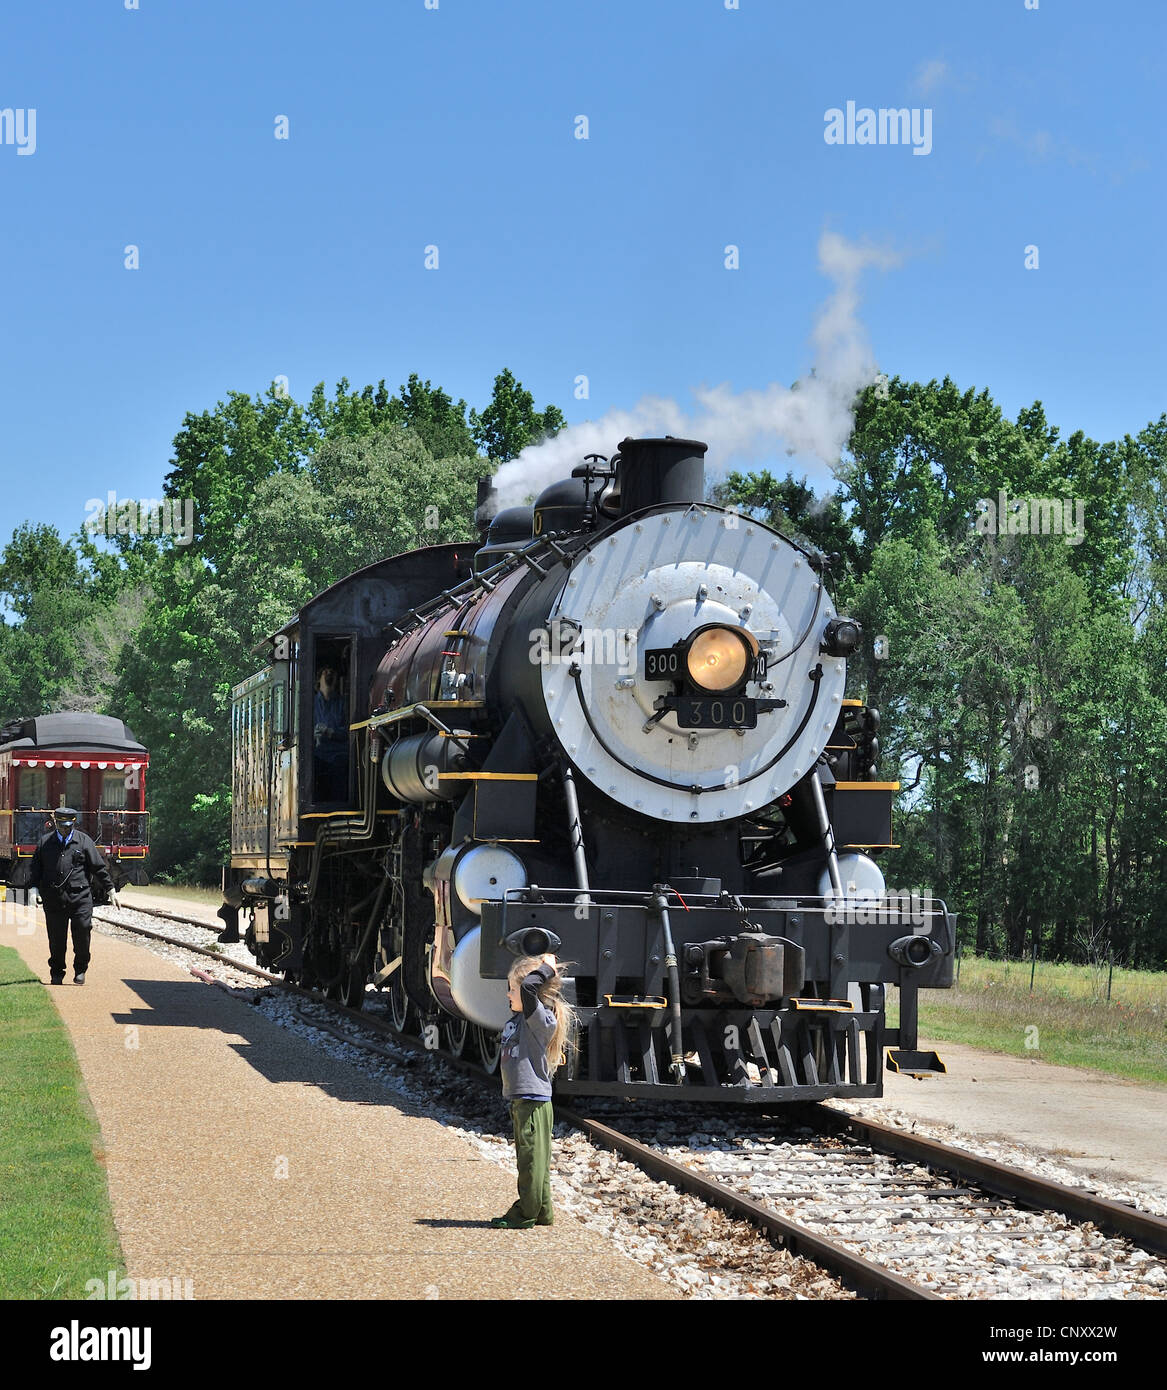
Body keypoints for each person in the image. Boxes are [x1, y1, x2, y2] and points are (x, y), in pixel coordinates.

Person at [492, 953, 574, 1229]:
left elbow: (529, 988)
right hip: (522, 1100)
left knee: (530, 1164)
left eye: (512, 988)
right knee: (534, 1160)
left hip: (533, 1102)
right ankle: (543, 1211)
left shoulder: (538, 1020)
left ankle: (524, 1212)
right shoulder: (519, 1019)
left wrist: (546, 968)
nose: (508, 994)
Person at [28, 807, 116, 986]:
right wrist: (33, 889)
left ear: (73, 824)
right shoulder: (45, 843)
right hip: (54, 898)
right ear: (56, 824)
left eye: (68, 826)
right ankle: (57, 972)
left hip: (80, 897)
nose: (65, 829)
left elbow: (98, 868)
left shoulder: (84, 842)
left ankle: (81, 969)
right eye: (61, 826)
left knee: (83, 931)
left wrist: (110, 889)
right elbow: (35, 869)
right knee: (56, 938)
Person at [313, 665, 348, 801]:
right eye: (325, 671)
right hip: (317, 754)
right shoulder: (311, 704)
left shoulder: (343, 704)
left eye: (332, 672)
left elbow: (348, 732)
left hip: (338, 754)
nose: (329, 673)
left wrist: (330, 732)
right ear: (318, 679)